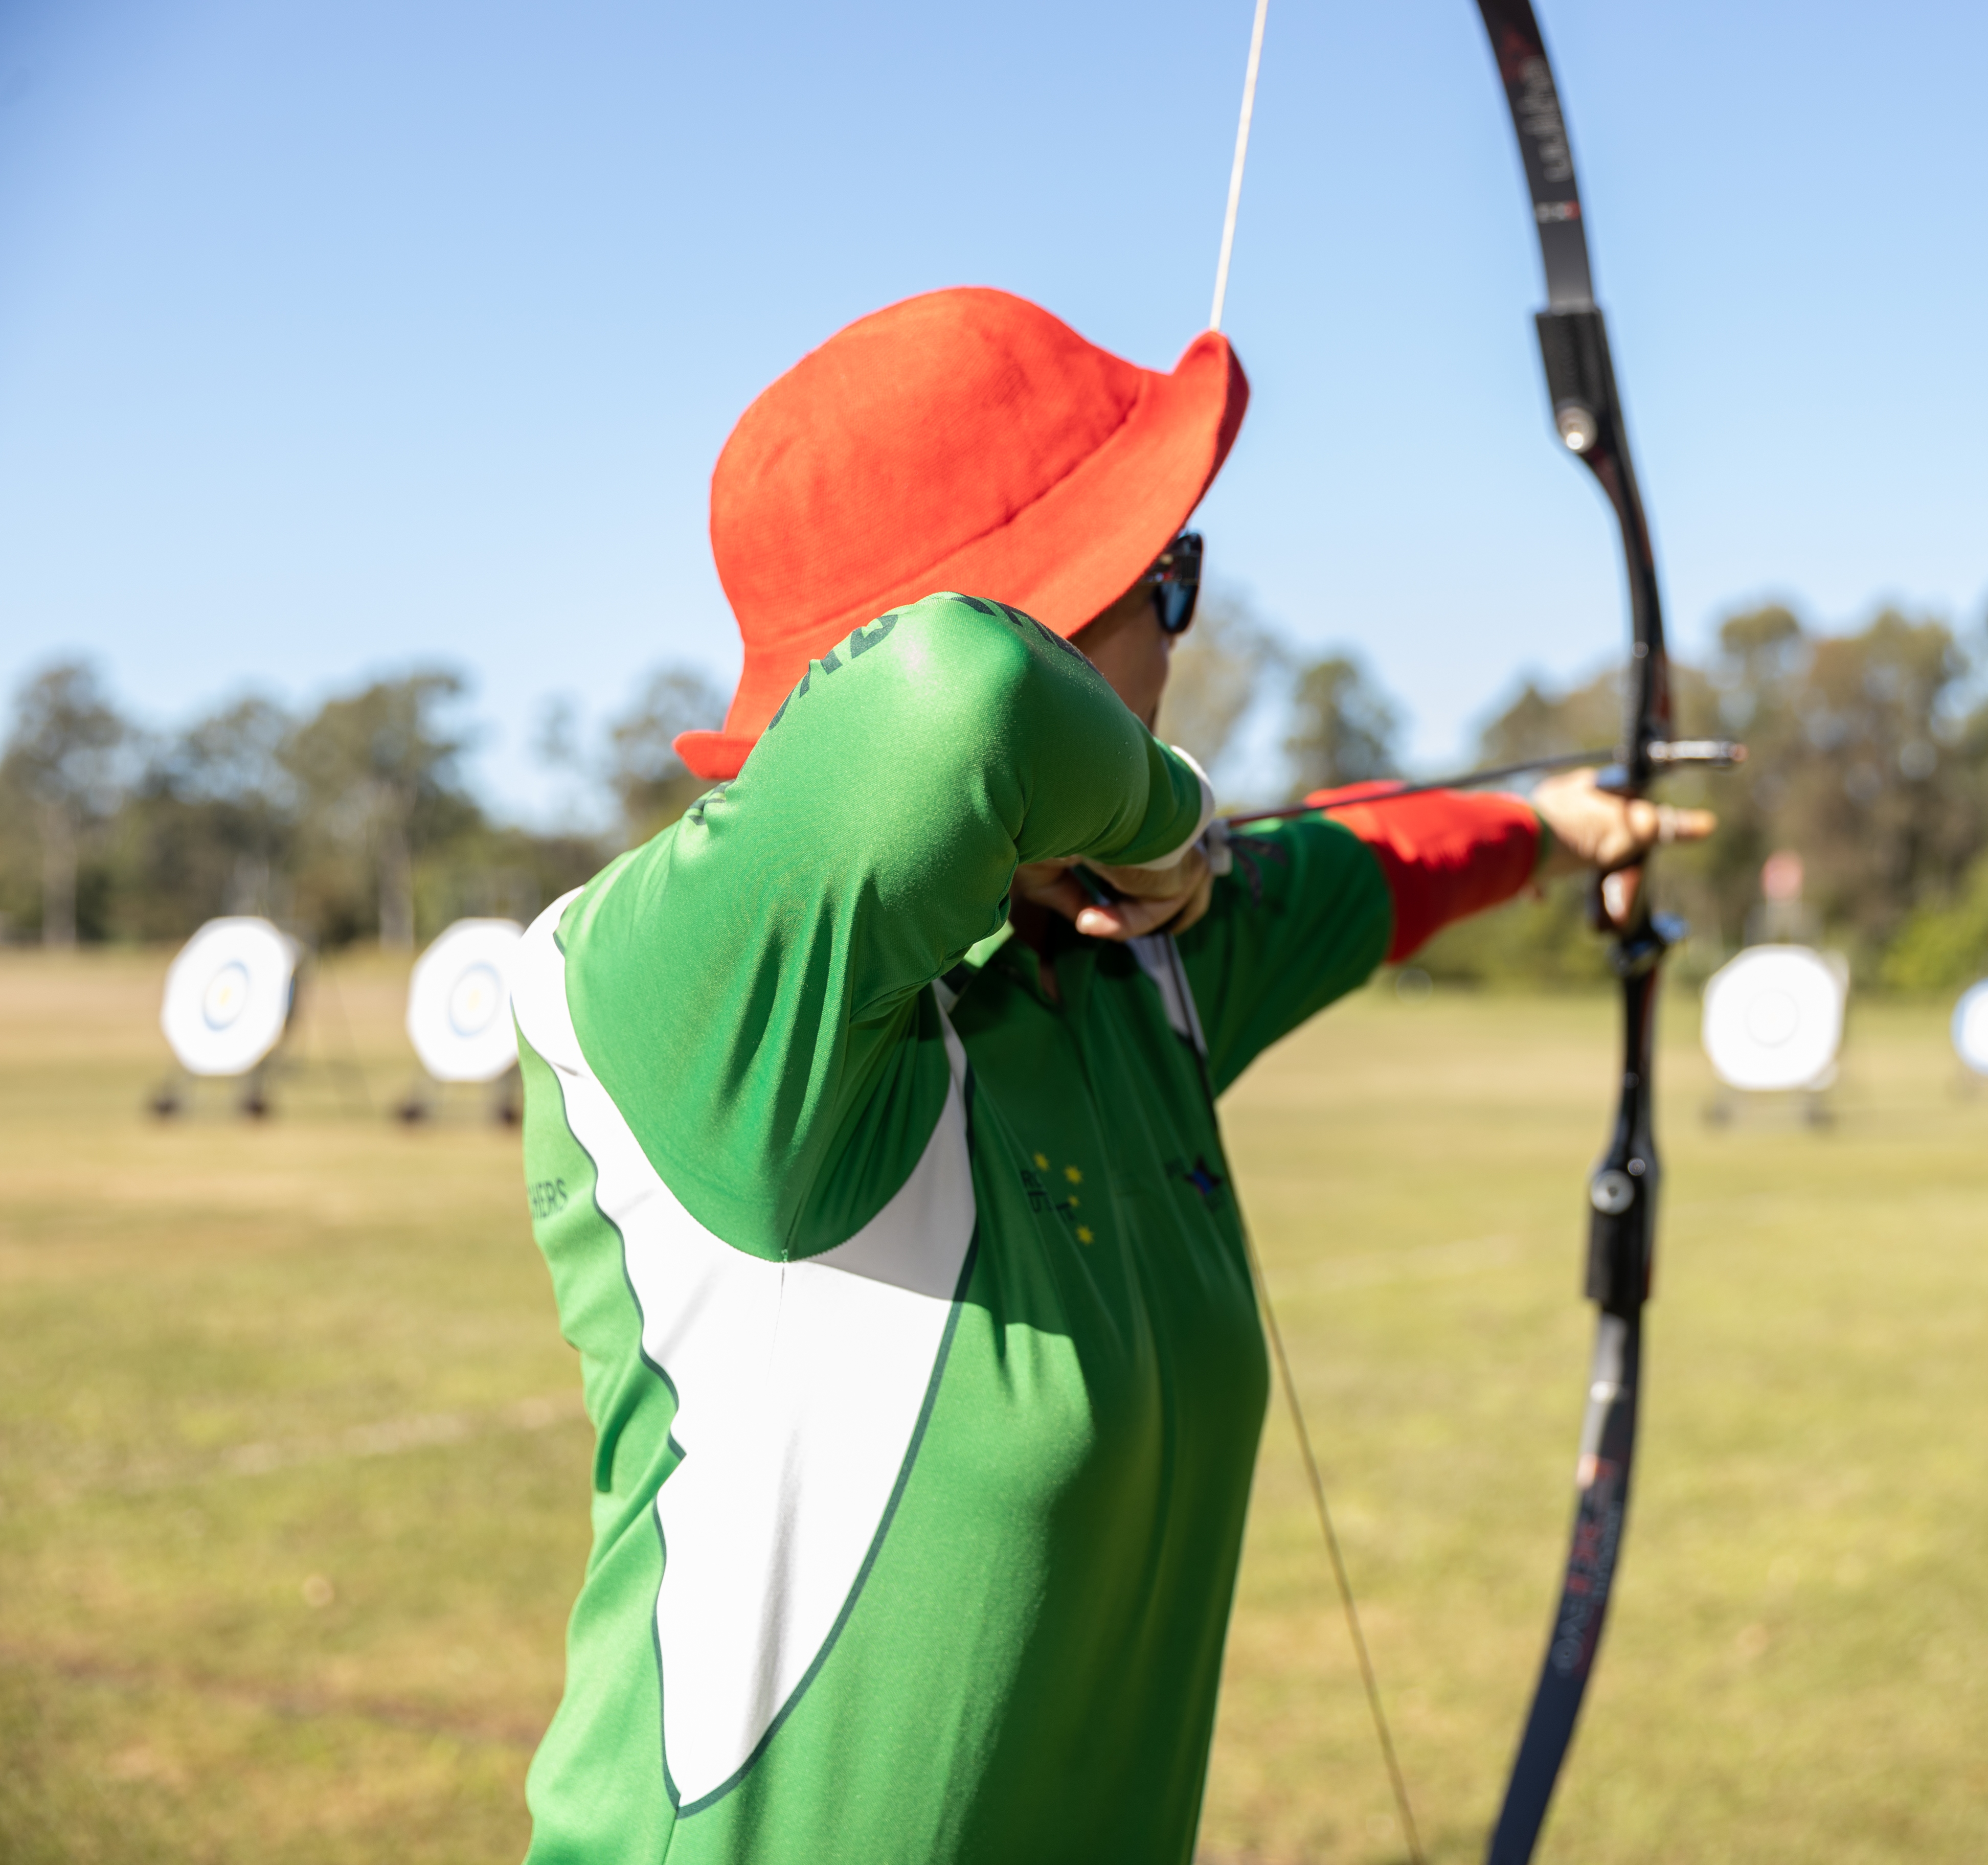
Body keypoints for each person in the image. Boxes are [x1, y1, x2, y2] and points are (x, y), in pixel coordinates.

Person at [509, 285, 1709, 1863]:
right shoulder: (705, 1001)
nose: (1184, 625)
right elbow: (952, 695)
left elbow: (1362, 864)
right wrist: (1158, 819)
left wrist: (1550, 826)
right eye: (1169, 578)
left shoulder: (1138, 970)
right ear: (1056, 622)